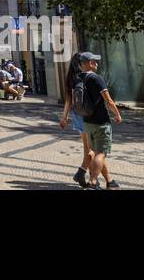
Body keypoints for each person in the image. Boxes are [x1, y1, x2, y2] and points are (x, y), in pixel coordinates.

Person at [76, 52, 122, 190]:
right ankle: (93, 182)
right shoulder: (96, 79)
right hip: (101, 121)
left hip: (87, 121)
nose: (97, 63)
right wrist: (117, 114)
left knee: (96, 153)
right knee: (101, 154)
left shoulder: (78, 78)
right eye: (95, 61)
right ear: (89, 63)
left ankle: (110, 182)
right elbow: (108, 100)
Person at [59, 53, 95, 188]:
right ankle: (85, 174)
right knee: (94, 149)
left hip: (77, 114)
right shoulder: (86, 76)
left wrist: (64, 118)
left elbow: (68, 100)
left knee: (87, 148)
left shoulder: (70, 79)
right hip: (89, 115)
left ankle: (90, 177)